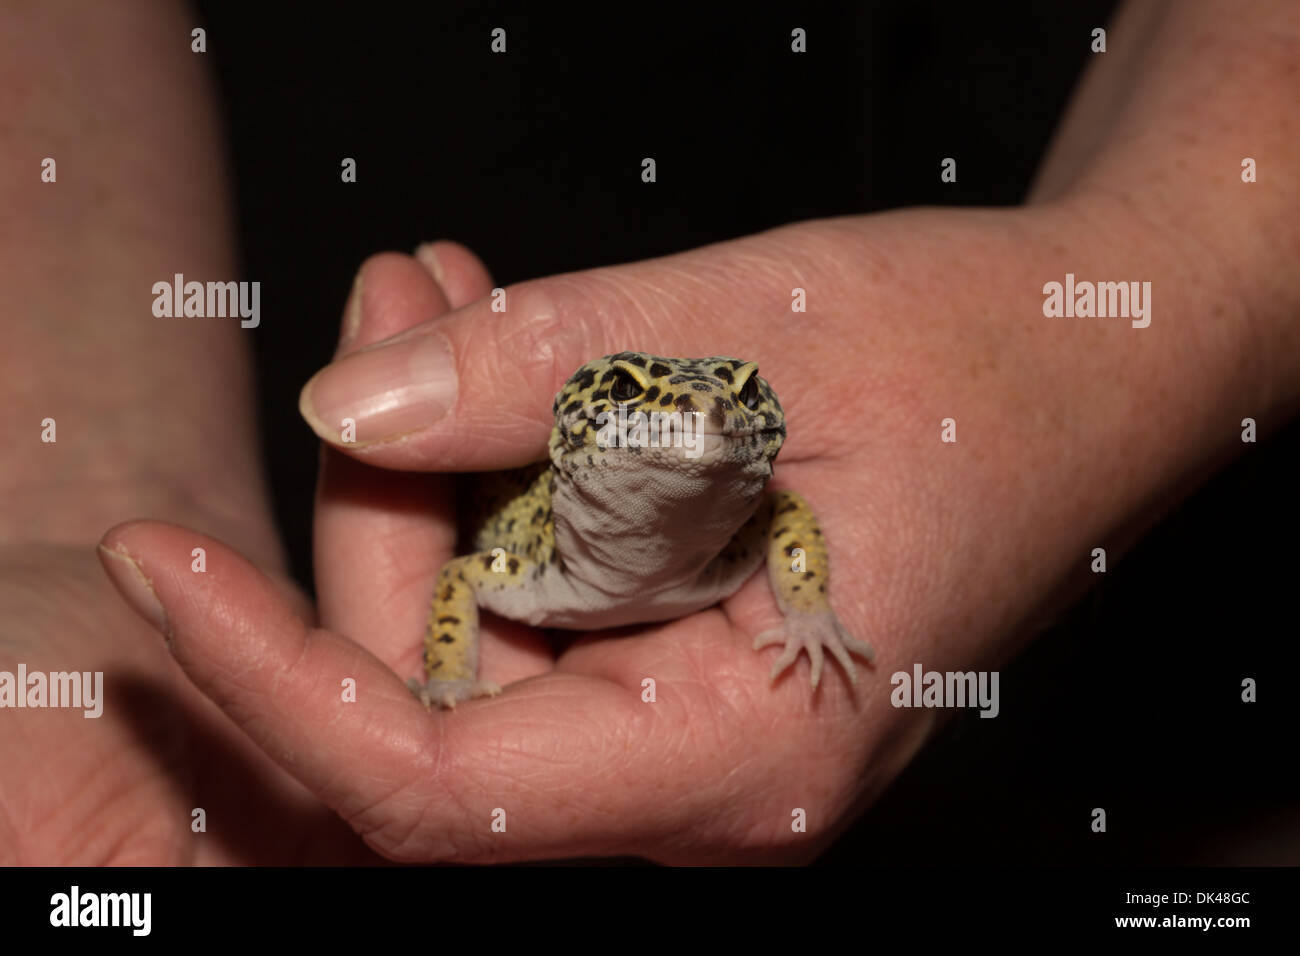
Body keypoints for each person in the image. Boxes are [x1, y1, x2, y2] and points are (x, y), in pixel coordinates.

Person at [2, 0, 1295, 864]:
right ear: (574, 439)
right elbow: (454, 578)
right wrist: (94, 491)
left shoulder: (765, 520)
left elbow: (791, 525)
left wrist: (1155, 289)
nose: (691, 427)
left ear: (755, 438)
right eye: (639, 410)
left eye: (728, 411)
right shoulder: (521, 552)